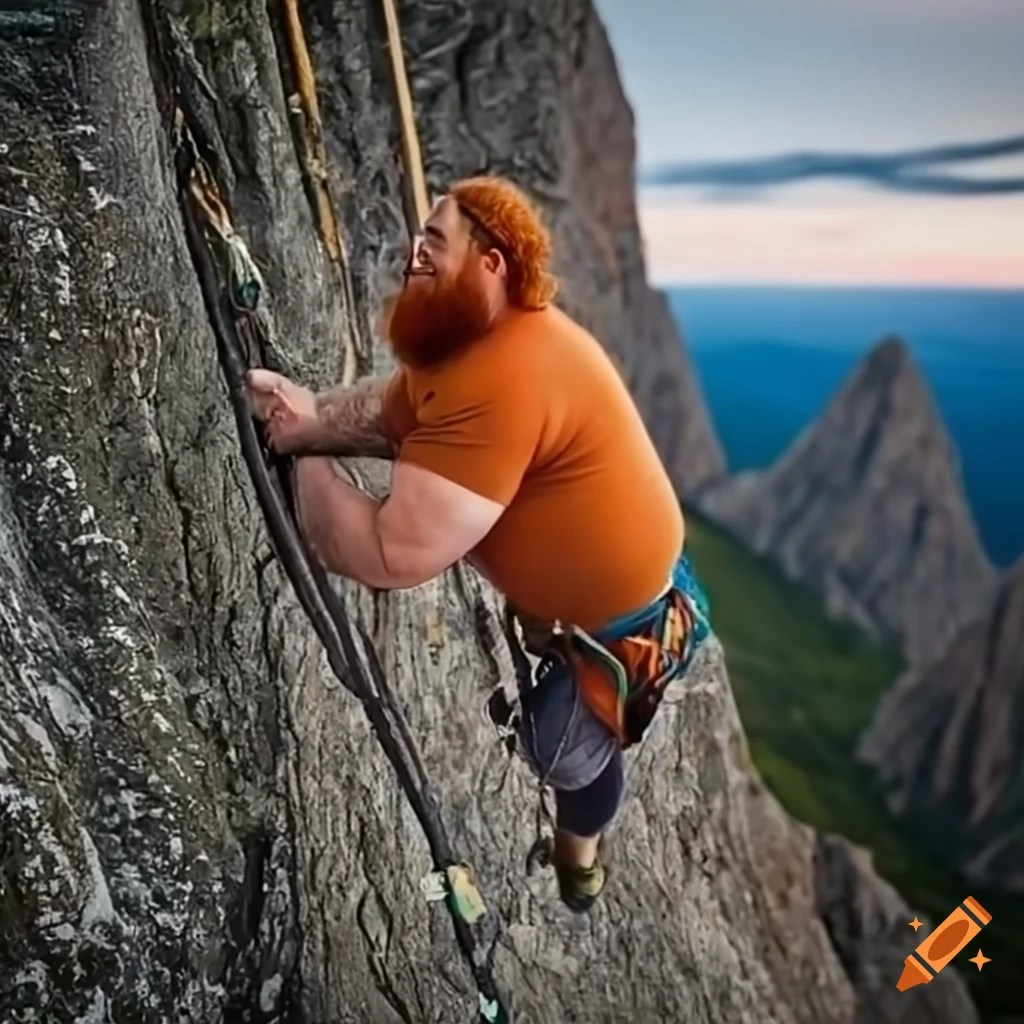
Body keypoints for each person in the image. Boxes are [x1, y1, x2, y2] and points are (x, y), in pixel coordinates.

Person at [246, 175, 710, 912]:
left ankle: (579, 853)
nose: (413, 254)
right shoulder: (479, 342)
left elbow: (388, 554)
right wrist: (309, 421)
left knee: (560, 741)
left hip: (627, 626)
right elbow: (393, 412)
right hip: (610, 588)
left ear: (491, 262)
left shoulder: (506, 374)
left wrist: (296, 464)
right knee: (555, 728)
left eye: (435, 242)